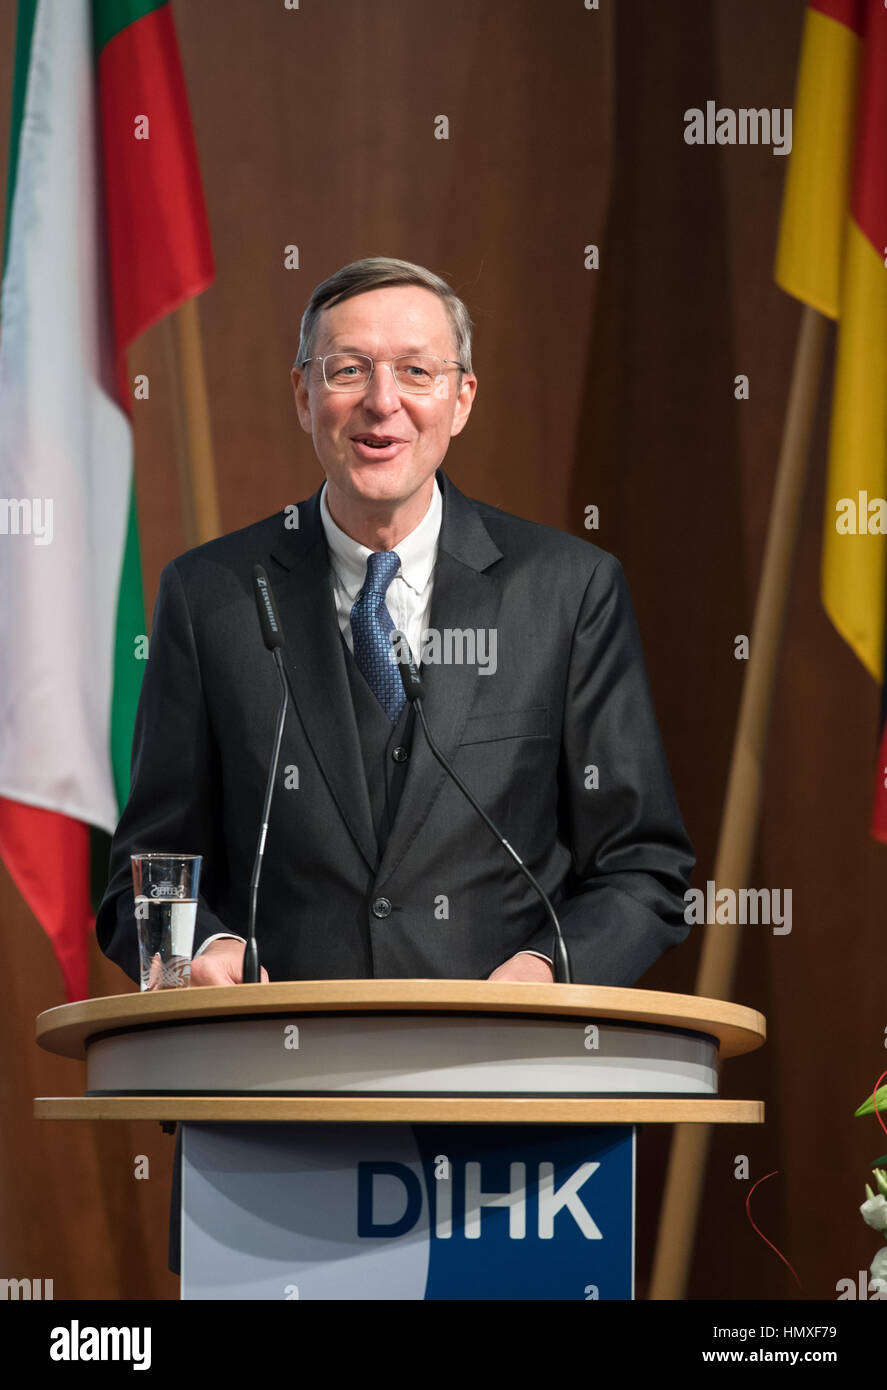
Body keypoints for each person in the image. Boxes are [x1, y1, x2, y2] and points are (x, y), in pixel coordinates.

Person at [96, 256, 695, 991]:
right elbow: (146, 873)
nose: (383, 403)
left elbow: (644, 867)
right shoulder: (207, 595)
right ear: (302, 392)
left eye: (416, 372)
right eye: (348, 370)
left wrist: (546, 970)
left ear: (462, 399)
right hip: (280, 1079)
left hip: (503, 1078)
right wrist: (204, 948)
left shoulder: (568, 591)